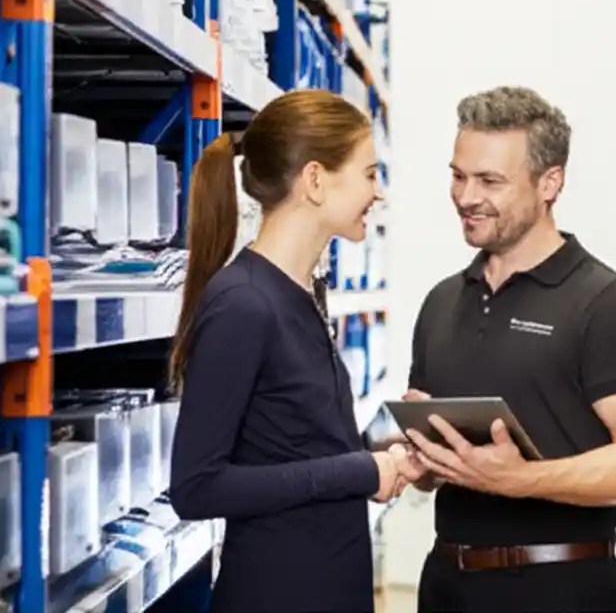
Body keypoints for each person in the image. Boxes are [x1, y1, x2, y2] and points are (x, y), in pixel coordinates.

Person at [402, 86, 616, 612]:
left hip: (561, 590)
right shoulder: (441, 303)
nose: (466, 196)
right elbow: (440, 475)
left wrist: (519, 480)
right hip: (447, 585)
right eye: (458, 176)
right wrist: (428, 457)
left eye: (490, 181)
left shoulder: (609, 306)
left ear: (550, 182)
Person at [167, 90, 424, 613]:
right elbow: (196, 487)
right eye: (369, 174)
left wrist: (386, 448)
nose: (379, 193)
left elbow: (293, 444)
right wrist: (362, 471)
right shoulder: (244, 303)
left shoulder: (302, 294)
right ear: (315, 180)